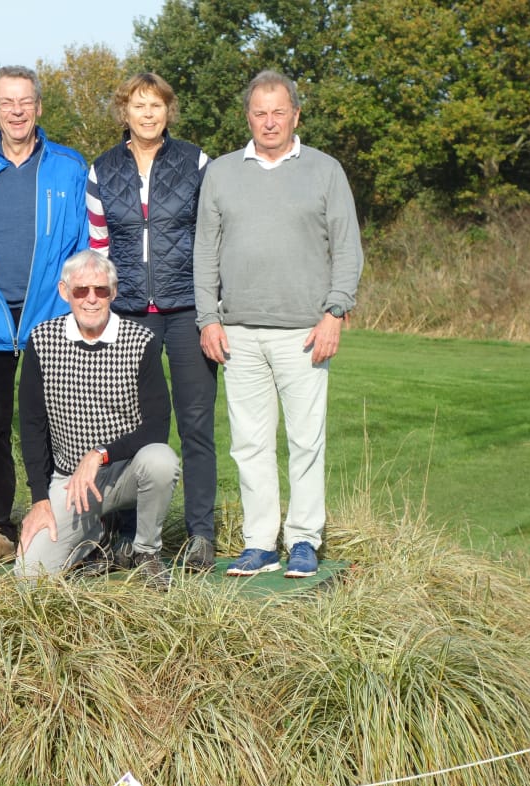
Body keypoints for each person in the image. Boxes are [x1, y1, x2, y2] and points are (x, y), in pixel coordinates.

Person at [193, 70, 363, 579]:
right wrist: (208, 318)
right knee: (249, 443)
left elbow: (347, 248)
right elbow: (205, 252)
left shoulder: (325, 170)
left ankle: (305, 539)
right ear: (248, 117)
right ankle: (260, 543)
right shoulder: (222, 173)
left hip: (305, 332)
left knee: (307, 440)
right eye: (260, 113)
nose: (270, 121)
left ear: (296, 115)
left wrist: (335, 311)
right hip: (238, 332)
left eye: (279, 112)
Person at [0, 65, 89, 569]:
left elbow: (82, 247)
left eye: (25, 101)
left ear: (39, 107)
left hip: (49, 318)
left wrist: (80, 309)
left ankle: (60, 525)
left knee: (57, 425)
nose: (17, 111)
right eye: (7, 103)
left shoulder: (68, 167)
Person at [86, 73, 216, 572]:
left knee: (196, 424)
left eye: (156, 106)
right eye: (139, 105)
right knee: (135, 429)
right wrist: (102, 312)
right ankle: (130, 539)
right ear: (124, 111)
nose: (147, 114)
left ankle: (202, 534)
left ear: (168, 112)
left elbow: (210, 238)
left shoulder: (195, 162)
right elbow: (99, 250)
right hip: (129, 314)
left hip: (187, 311)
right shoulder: (101, 170)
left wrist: (211, 310)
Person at [16, 250, 180, 590]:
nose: (91, 299)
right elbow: (32, 426)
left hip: (124, 471)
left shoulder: (140, 341)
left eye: (101, 290)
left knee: (162, 461)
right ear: (64, 292)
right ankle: (96, 538)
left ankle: (145, 551)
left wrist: (101, 453)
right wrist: (39, 501)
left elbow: (157, 426)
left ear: (114, 293)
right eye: (81, 291)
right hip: (70, 481)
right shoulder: (42, 340)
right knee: (29, 575)